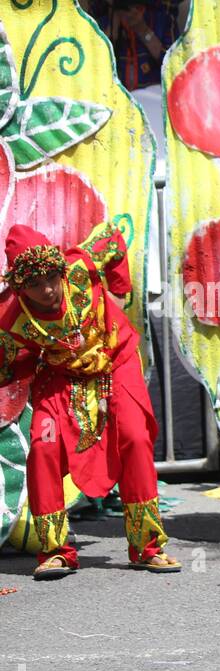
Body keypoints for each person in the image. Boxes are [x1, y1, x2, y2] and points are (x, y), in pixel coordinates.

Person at [0, 222, 181, 579]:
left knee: (134, 437)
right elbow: (7, 367)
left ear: (59, 268)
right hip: (60, 376)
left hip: (117, 361)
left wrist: (119, 288)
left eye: (51, 277)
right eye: (35, 285)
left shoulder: (80, 264)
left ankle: (146, 547)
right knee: (43, 447)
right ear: (19, 287)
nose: (47, 289)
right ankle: (55, 551)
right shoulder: (12, 320)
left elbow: (112, 237)